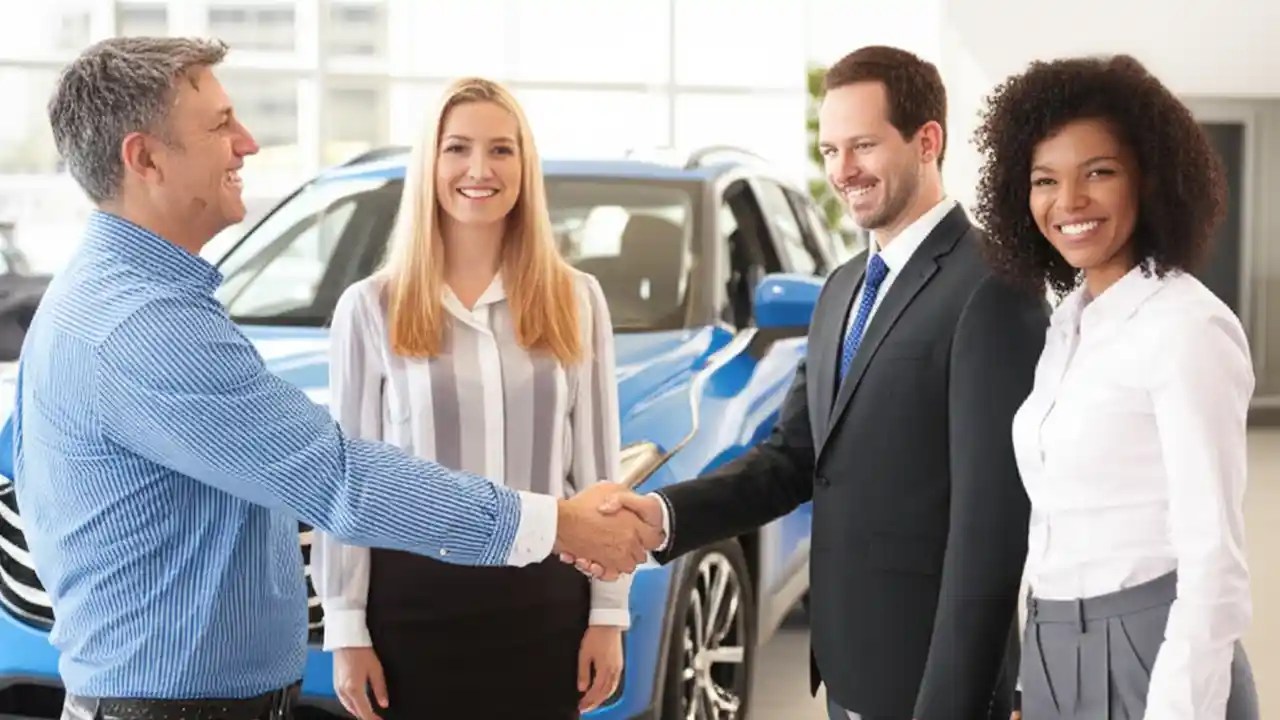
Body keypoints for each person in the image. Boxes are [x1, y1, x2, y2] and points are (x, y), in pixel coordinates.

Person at [3, 37, 659, 720]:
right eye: (222, 125)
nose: (248, 144)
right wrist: (557, 523)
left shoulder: (109, 299)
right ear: (144, 159)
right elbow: (341, 478)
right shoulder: (144, 324)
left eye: (501, 150)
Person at [573, 45, 1048, 720]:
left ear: (927, 141)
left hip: (934, 686)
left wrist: (950, 705)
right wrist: (664, 516)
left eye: (863, 146)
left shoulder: (993, 287)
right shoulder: (843, 289)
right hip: (850, 673)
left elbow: (991, 532)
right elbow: (792, 461)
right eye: (829, 150)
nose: (842, 171)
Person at [310, 77, 628, 720]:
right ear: (429, 164)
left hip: (545, 604)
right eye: (457, 148)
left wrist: (608, 615)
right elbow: (348, 485)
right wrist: (346, 629)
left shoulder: (577, 299)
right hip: (411, 607)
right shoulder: (370, 308)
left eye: (501, 150)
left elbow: (598, 475)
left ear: (524, 166)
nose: (479, 170)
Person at [972, 54, 1260, 720]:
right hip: (1054, 645)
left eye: (1098, 172)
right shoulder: (1069, 325)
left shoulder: (1186, 328)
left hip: (1155, 656)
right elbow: (1056, 524)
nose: (1068, 202)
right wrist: (1035, 679)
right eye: (1045, 180)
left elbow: (1214, 560)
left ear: (1149, 180)